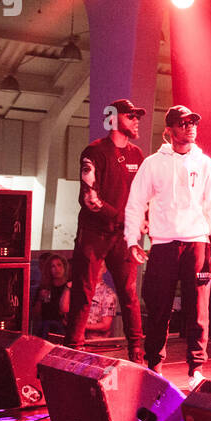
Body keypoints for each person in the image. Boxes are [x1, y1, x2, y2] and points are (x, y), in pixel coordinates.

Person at [125, 105, 211, 388]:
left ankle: (196, 368)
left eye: (193, 122)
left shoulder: (207, 165)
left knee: (198, 310)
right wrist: (132, 240)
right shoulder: (153, 163)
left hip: (197, 244)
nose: (190, 127)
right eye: (183, 123)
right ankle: (154, 365)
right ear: (169, 130)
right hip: (163, 245)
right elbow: (135, 203)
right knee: (159, 307)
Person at [64, 98, 146, 363]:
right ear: (114, 118)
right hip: (94, 234)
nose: (136, 120)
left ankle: (137, 351)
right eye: (130, 115)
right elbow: (90, 197)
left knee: (130, 293)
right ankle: (74, 350)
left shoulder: (137, 155)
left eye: (137, 116)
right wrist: (122, 217)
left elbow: (144, 194)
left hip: (123, 236)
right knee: (83, 291)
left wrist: (143, 220)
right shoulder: (94, 151)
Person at [35, 253, 72, 341]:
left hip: (63, 329)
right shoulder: (44, 287)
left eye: (59, 265)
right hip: (45, 329)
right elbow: (36, 315)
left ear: (64, 267)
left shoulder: (70, 287)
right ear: (49, 270)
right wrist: (40, 299)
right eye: (53, 266)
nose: (57, 269)